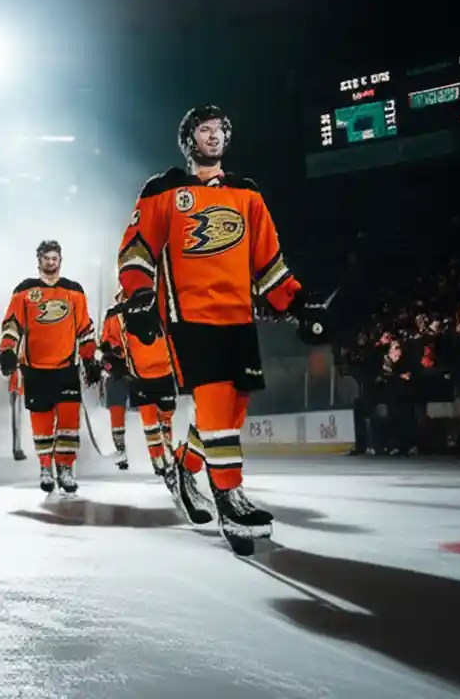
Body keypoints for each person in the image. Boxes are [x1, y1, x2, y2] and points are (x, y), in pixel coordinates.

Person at [116, 104, 326, 552]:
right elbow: (137, 250)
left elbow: (269, 264)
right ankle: (230, 496)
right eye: (204, 130)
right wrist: (138, 297)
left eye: (219, 131)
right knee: (214, 404)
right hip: (189, 318)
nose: (213, 137)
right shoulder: (164, 189)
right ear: (189, 139)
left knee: (231, 412)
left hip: (238, 318)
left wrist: (299, 304)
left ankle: (184, 466)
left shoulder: (247, 193)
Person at [0, 241, 99, 494]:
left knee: (68, 422)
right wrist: (7, 350)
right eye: (46, 258)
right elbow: (11, 324)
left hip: (66, 368)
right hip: (35, 369)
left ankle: (65, 468)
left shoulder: (74, 291)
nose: (51, 262)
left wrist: (89, 358)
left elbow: (84, 328)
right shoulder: (24, 291)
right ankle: (45, 467)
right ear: (39, 259)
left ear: (60, 260)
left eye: (55, 258)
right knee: (42, 425)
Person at [100, 289, 177, 474]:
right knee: (131, 412)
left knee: (160, 415)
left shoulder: (161, 303)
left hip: (152, 370)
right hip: (130, 371)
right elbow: (108, 343)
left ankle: (164, 452)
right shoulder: (116, 314)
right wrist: (110, 358)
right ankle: (125, 451)